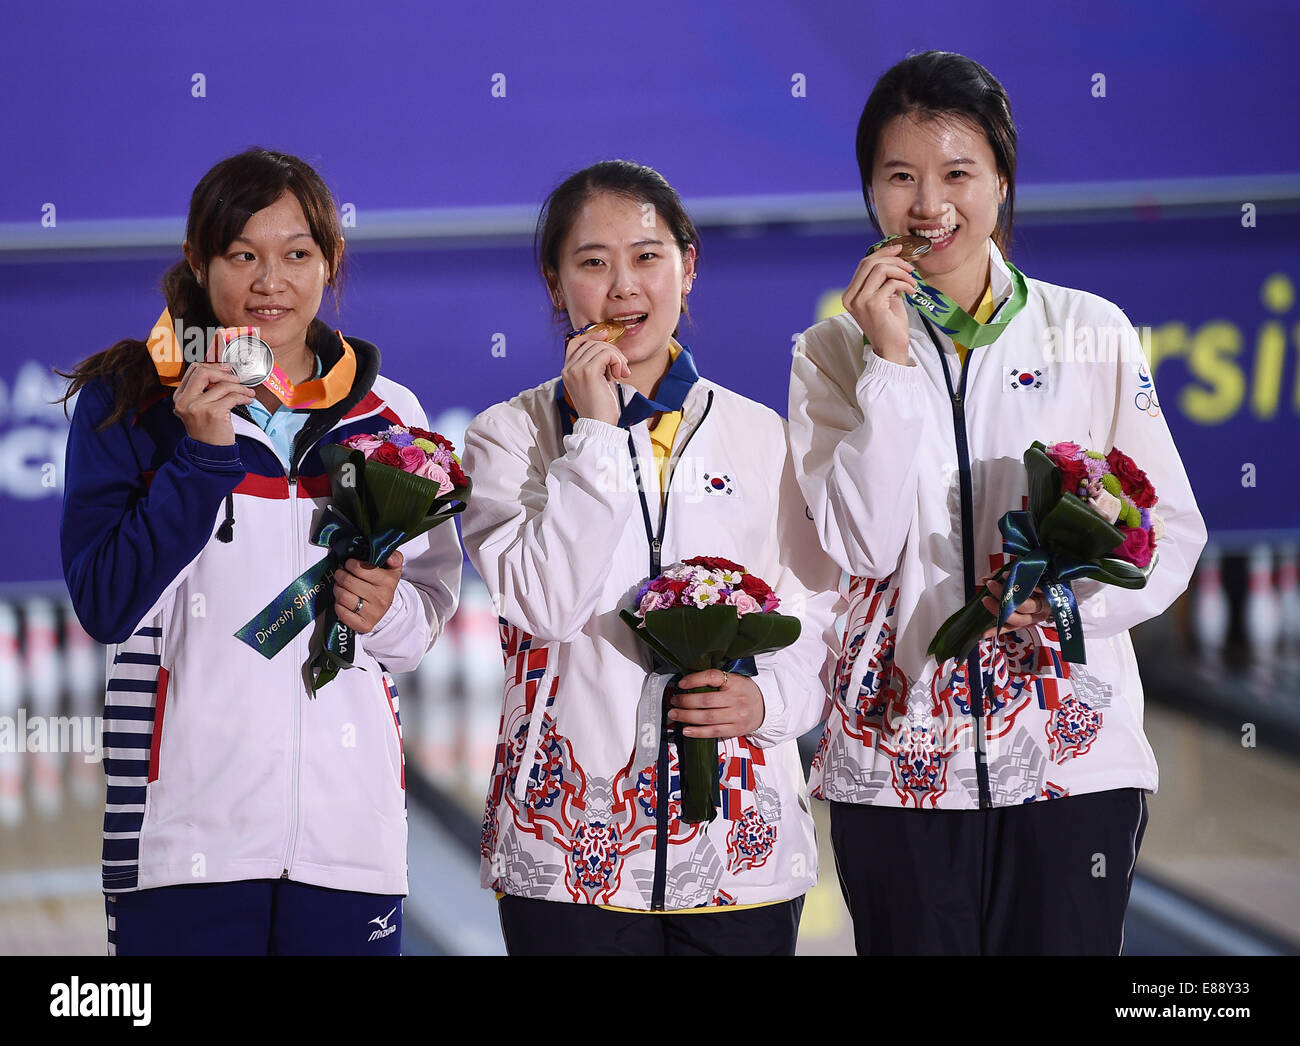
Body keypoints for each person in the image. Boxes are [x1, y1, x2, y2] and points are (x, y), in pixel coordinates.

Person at [788, 51, 1207, 956]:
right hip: (897, 764)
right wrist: (890, 364)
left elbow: (1169, 530)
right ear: (869, 192)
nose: (928, 204)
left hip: (1072, 756)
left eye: (956, 174)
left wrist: (1070, 603)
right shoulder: (828, 353)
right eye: (900, 177)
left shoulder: (1088, 329)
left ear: (1002, 183)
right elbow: (859, 544)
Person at [59, 147, 462, 956]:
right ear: (198, 262)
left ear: (330, 261)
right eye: (242, 255)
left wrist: (384, 615)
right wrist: (202, 455)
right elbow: (106, 604)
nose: (269, 281)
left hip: (351, 844)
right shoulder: (132, 404)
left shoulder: (390, 414)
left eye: (296, 255)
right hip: (181, 844)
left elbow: (422, 623)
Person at [460, 160, 841, 956]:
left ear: (688, 266)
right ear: (556, 282)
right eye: (592, 262)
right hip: (567, 859)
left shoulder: (761, 435)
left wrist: (765, 702)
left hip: (742, 855)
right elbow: (546, 606)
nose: (623, 286)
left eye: (647, 256)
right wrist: (595, 435)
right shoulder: (508, 437)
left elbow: (815, 618)